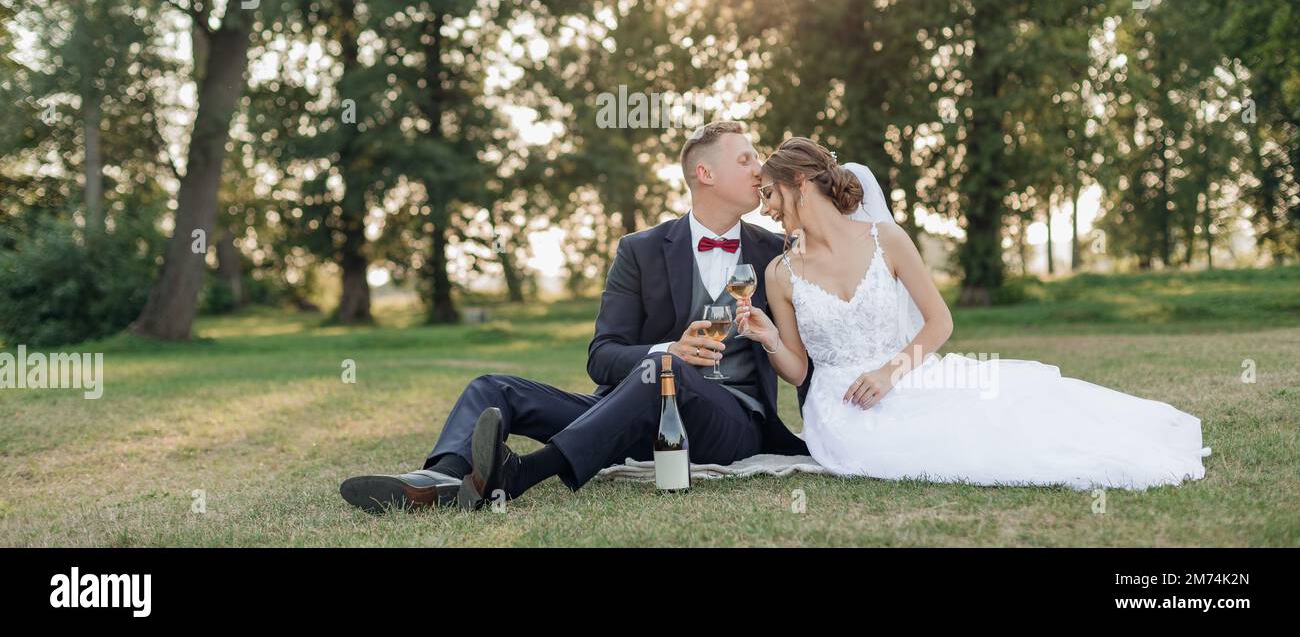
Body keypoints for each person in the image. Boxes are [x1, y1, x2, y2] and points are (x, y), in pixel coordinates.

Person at [339, 121, 810, 514]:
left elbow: (816, 345)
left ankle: (524, 472)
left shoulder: (779, 253)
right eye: (746, 158)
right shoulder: (639, 250)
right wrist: (670, 349)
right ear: (704, 172)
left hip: (731, 422)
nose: (760, 168)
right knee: (490, 387)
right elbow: (602, 357)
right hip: (629, 416)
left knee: (660, 371)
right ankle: (437, 481)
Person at [735, 136, 1211, 490]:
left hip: (905, 378)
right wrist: (769, 337)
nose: (767, 210)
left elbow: (940, 321)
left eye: (770, 195)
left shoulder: (886, 240)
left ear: (800, 183)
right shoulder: (780, 273)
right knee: (928, 450)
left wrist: (889, 372)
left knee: (1001, 417)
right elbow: (798, 373)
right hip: (842, 412)